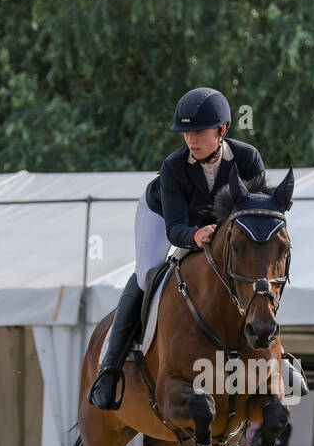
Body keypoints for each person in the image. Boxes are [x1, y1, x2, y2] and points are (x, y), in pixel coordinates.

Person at [87, 87, 267, 410]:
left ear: (222, 130)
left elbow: (256, 216)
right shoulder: (173, 167)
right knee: (146, 276)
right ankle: (110, 368)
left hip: (221, 228)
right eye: (186, 133)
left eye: (199, 132)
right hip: (164, 216)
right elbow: (174, 229)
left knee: (260, 272)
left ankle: (279, 359)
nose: (191, 140)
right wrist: (196, 236)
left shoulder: (248, 159)